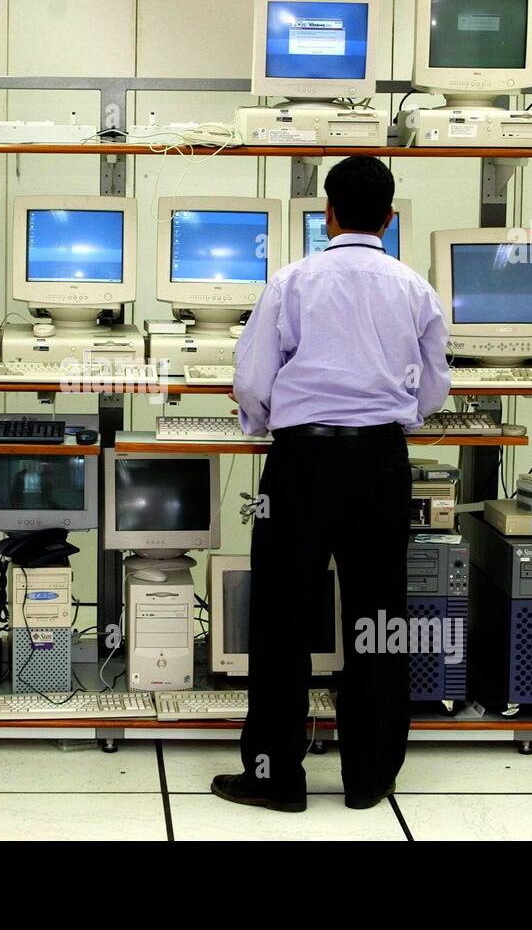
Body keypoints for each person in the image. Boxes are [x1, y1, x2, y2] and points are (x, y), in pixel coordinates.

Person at [212, 155, 451, 813]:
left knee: (281, 622)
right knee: (378, 620)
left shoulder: (292, 282)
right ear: (391, 217)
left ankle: (274, 778)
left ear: (328, 214)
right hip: (380, 463)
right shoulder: (415, 289)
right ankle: (369, 779)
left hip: (303, 462)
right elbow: (432, 389)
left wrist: (263, 425)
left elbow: (253, 381)